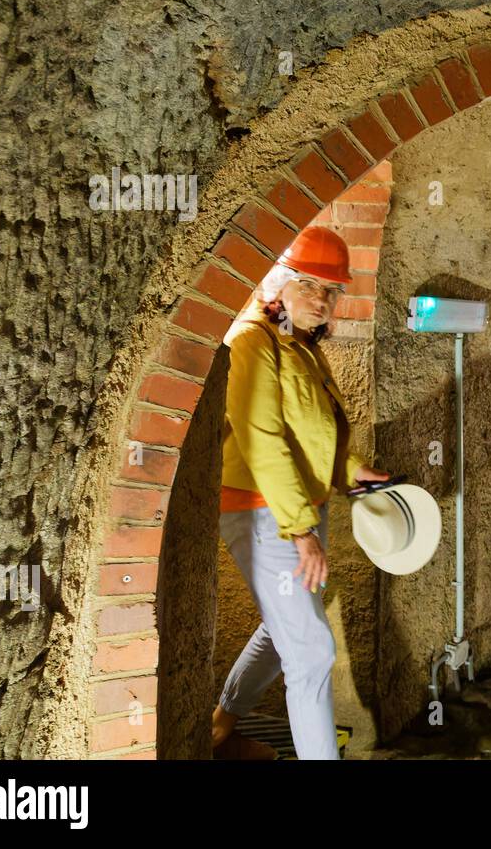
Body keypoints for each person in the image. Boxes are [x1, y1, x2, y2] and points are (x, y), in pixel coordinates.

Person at [210, 225, 390, 760]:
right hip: (265, 512)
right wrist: (301, 530)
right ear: (279, 284)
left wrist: (351, 472)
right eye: (309, 285)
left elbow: (309, 431)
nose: (321, 300)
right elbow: (262, 438)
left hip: (297, 509)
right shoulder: (252, 342)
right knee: (310, 652)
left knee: (285, 626)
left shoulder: (303, 347)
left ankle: (221, 721)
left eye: (331, 290)